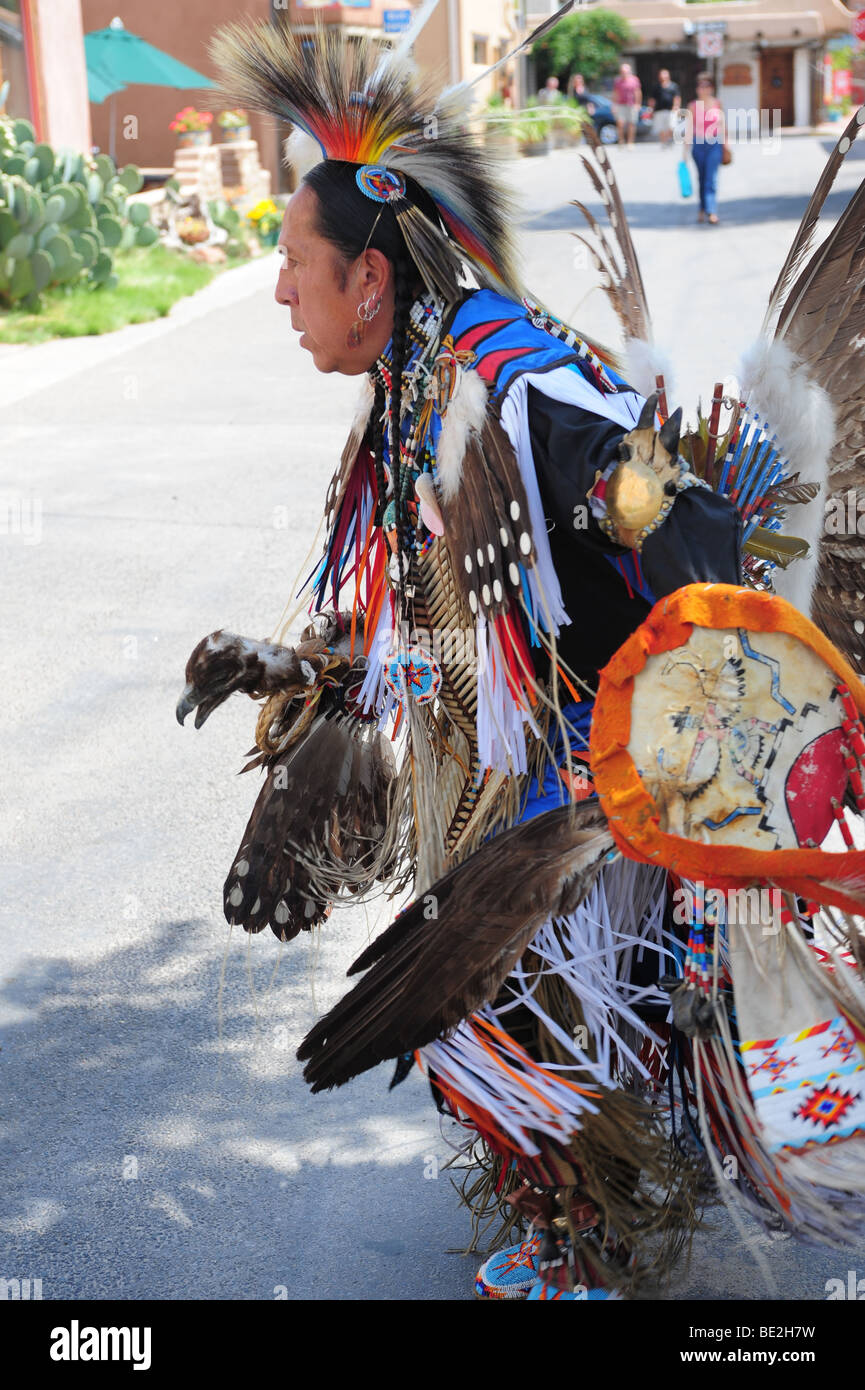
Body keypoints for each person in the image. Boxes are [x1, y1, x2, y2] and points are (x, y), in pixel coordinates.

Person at [179, 17, 865, 1302]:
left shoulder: (515, 381)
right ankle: (563, 1235)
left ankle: (593, 1251)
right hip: (514, 775)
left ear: (371, 280)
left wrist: (690, 733)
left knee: (507, 1023)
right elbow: (415, 627)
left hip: (594, 775)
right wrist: (288, 664)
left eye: (292, 261)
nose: (278, 290)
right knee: (488, 1027)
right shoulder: (411, 397)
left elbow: (680, 518)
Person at [686, 71, 725, 224]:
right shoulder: (693, 106)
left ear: (711, 88)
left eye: (707, 86)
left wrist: (725, 143)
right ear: (697, 89)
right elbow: (689, 127)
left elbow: (722, 124)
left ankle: (711, 211)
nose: (704, 89)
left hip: (714, 144)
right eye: (701, 86)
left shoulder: (717, 103)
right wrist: (685, 149)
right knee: (701, 178)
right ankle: (702, 208)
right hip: (698, 144)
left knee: (711, 179)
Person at [648, 67, 680, 146]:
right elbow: (652, 99)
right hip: (659, 110)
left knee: (671, 126)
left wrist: (676, 106)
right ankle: (664, 142)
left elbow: (677, 97)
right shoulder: (656, 87)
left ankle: (668, 139)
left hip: (670, 110)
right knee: (661, 128)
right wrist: (651, 109)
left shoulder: (673, 86)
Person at [612, 61, 642, 146]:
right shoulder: (618, 81)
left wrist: (638, 103)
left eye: (626, 72)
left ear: (629, 71)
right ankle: (621, 141)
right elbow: (615, 93)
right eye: (622, 72)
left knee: (632, 123)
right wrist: (614, 105)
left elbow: (637, 92)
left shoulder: (634, 80)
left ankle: (630, 142)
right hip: (621, 104)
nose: (624, 73)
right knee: (620, 123)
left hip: (631, 104)